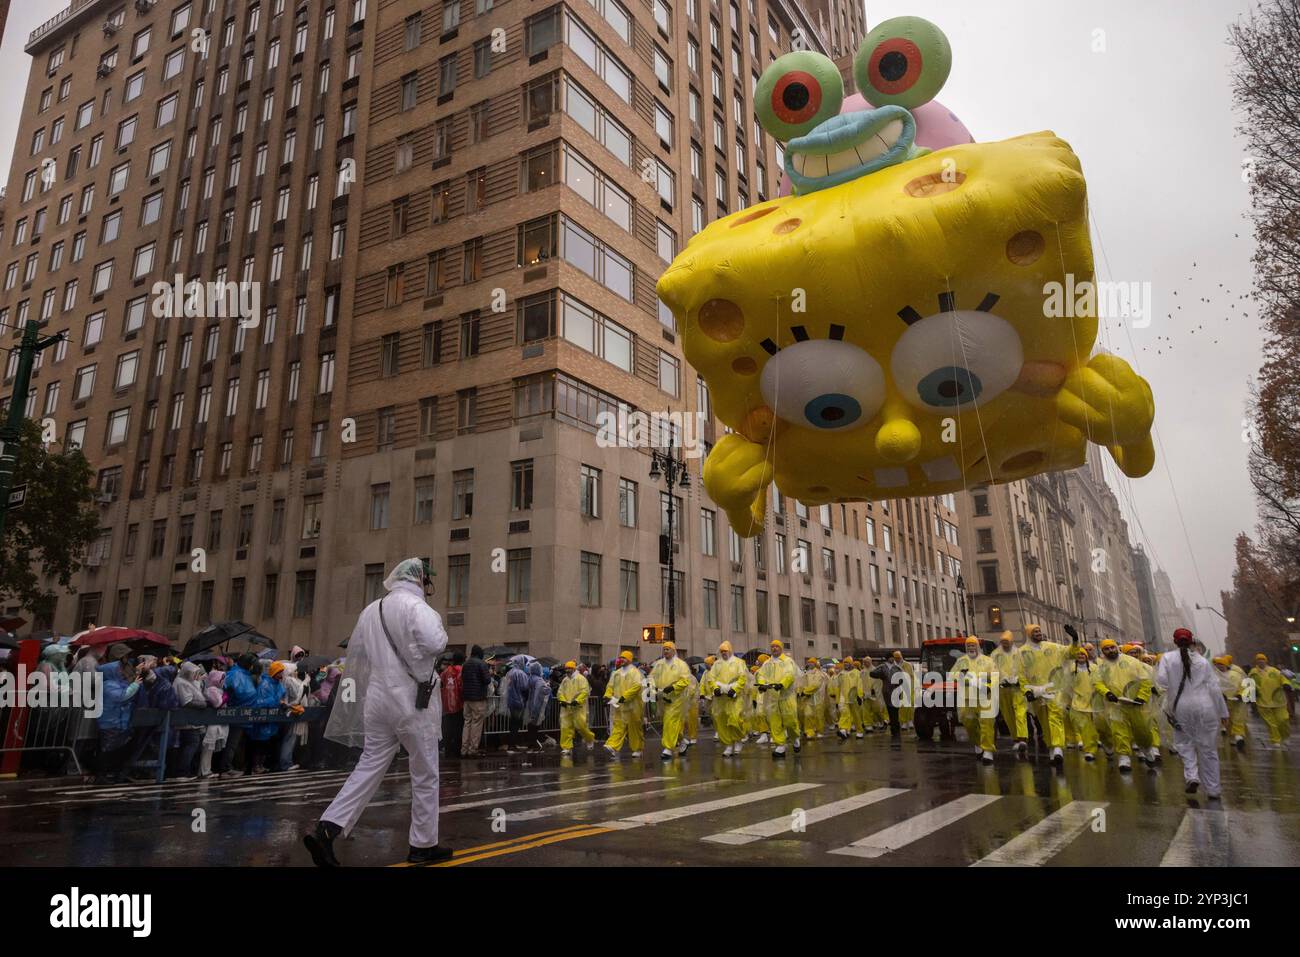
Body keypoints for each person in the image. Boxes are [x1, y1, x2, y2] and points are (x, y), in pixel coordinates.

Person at [304, 558, 451, 867]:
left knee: (368, 765)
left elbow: (362, 654)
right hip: (410, 702)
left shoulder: (371, 610)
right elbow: (436, 644)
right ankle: (423, 845)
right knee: (425, 773)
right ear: (421, 579)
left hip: (377, 699)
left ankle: (328, 828)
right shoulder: (418, 608)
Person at [1155, 628, 1226, 798]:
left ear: (1174, 641)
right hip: (1205, 707)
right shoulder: (1202, 661)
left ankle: (1192, 776)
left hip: (1181, 707)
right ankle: (1213, 789)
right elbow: (1214, 689)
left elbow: (1162, 681)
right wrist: (1223, 712)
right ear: (1192, 641)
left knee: (1185, 744)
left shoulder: (1167, 658)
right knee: (1208, 749)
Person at [1094, 638, 1154, 772]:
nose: (1110, 651)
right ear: (1103, 651)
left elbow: (1145, 680)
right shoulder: (1102, 667)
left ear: (1116, 647)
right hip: (1116, 705)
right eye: (1106, 649)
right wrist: (1107, 693)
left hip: (1135, 704)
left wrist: (1141, 697)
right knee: (1118, 731)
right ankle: (1124, 757)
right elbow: (1097, 682)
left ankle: (1147, 749)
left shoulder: (1132, 662)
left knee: (1141, 731)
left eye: (1112, 647)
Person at [1020, 623, 1073, 767]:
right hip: (1037, 693)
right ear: (1029, 634)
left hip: (1054, 690)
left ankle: (1057, 748)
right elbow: (1020, 674)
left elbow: (1070, 653)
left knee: (1055, 717)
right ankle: (1052, 749)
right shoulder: (1022, 652)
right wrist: (1027, 691)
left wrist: (1075, 640)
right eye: (1035, 631)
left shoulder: (1052, 647)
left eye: (1039, 630)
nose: (1038, 632)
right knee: (1044, 723)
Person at [94, 647, 144, 784]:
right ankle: (101, 775)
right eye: (119, 670)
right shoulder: (109, 685)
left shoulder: (117, 683)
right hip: (110, 721)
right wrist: (134, 685)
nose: (122, 671)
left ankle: (112, 773)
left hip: (119, 720)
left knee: (116, 749)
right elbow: (122, 697)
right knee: (107, 749)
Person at [949, 636, 996, 764]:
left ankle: (988, 751)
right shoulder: (961, 661)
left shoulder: (988, 661)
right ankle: (978, 743)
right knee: (968, 722)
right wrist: (961, 676)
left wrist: (988, 687)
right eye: (968, 646)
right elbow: (952, 675)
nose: (971, 648)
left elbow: (995, 676)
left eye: (973, 645)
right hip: (967, 698)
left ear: (977, 646)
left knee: (986, 723)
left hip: (984, 697)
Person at [217, 653, 260, 777]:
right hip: (234, 714)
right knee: (231, 743)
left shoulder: (247, 675)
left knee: (236, 744)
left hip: (245, 715)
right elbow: (230, 691)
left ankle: (231, 766)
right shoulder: (234, 674)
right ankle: (224, 768)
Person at [756, 639, 801, 757]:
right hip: (772, 698)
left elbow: (790, 674)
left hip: (786, 696)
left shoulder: (787, 661)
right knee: (774, 722)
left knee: (790, 721)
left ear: (781, 648)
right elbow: (761, 675)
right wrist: (761, 685)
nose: (774, 648)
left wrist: (782, 684)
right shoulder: (767, 663)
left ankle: (795, 738)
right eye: (772, 647)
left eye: (776, 646)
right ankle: (780, 746)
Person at [650, 641, 692, 759]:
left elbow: (685, 680)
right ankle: (683, 741)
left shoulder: (681, 665)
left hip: (677, 699)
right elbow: (652, 677)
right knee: (670, 723)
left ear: (674, 650)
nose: (666, 651)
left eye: (668, 649)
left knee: (670, 721)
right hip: (663, 699)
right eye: (664, 649)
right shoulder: (659, 664)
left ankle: (668, 748)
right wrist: (651, 688)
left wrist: (673, 687)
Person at [991, 631, 1028, 755]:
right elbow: (992, 669)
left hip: (1018, 689)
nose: (1005, 644)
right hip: (1003, 689)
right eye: (1003, 642)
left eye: (1007, 642)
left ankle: (1022, 738)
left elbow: (1026, 668)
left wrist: (1020, 680)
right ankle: (1016, 738)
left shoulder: (1019, 653)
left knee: (1020, 713)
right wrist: (1001, 680)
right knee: (1008, 714)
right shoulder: (995, 655)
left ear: (1012, 641)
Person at [707, 643, 747, 756]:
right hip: (721, 698)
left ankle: (738, 739)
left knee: (734, 719)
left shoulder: (739, 662)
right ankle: (728, 745)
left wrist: (735, 689)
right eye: (722, 651)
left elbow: (742, 678)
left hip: (734, 697)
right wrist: (715, 688)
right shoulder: (716, 664)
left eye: (725, 651)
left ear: (730, 650)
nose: (724, 653)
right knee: (721, 721)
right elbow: (711, 678)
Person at [170, 662, 208, 780]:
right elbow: (187, 701)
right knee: (192, 744)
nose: (196, 675)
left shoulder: (189, 682)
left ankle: (186, 770)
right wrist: (203, 704)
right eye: (194, 673)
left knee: (191, 745)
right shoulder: (181, 683)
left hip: (193, 720)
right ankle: (182, 772)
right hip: (187, 720)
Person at [603, 650, 645, 757]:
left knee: (634, 728)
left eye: (624, 658)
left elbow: (637, 686)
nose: (622, 659)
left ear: (629, 660)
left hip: (633, 706)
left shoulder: (635, 672)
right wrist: (607, 695)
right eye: (620, 657)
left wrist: (624, 697)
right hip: (619, 705)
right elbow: (610, 686)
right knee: (618, 726)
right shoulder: (616, 673)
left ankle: (638, 749)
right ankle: (612, 745)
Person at [1062, 647, 1099, 761]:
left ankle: (1090, 749)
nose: (1081, 657)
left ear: (1086, 656)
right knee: (1081, 724)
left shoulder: (1094, 668)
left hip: (1092, 701)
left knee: (1090, 726)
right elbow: (1066, 686)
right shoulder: (1071, 669)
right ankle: (1087, 745)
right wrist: (1067, 701)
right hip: (1077, 701)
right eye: (1078, 655)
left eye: (1083, 655)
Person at [1249, 654, 1291, 747]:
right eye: (1258, 660)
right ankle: (1275, 740)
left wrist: (1286, 684)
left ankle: (1285, 736)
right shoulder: (1253, 673)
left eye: (1262, 659)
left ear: (1266, 661)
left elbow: (1283, 679)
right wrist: (1250, 698)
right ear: (1256, 662)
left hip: (1278, 701)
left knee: (1283, 720)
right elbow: (1249, 686)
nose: (1260, 661)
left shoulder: (1274, 671)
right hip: (1263, 702)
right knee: (1271, 723)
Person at [557, 661, 596, 755]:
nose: (567, 670)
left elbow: (585, 691)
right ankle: (567, 747)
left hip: (578, 707)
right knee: (565, 727)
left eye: (569, 668)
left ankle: (589, 739)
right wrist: (562, 700)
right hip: (566, 708)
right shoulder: (565, 680)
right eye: (566, 668)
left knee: (581, 726)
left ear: (574, 668)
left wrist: (577, 701)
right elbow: (560, 692)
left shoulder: (581, 679)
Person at [460, 645, 491, 757]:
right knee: (476, 723)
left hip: (467, 698)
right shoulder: (482, 664)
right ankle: (473, 749)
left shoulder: (466, 664)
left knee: (467, 723)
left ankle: (464, 749)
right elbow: (487, 680)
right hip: (478, 698)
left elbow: (462, 679)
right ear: (480, 653)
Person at [1213, 655, 1248, 749]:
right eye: (1218, 665)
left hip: (1237, 701)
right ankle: (1232, 737)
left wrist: (1241, 694)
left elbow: (1244, 685)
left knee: (1238, 719)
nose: (1220, 666)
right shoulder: (1214, 676)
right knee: (1227, 721)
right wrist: (1219, 696)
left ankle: (1239, 737)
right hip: (1223, 703)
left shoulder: (1236, 674)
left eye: (1222, 664)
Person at [198, 669, 228, 779]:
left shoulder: (218, 689)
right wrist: (225, 696)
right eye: (221, 679)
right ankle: (204, 771)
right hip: (212, 724)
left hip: (218, 723)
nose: (223, 681)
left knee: (211, 749)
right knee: (207, 748)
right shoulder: (211, 689)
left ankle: (207, 770)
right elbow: (217, 703)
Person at [869, 655, 904, 739]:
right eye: (890, 657)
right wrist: (880, 675)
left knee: (895, 711)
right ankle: (894, 729)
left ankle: (895, 729)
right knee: (891, 711)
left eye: (893, 657)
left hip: (896, 691)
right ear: (887, 658)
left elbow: (902, 678)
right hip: (887, 692)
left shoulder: (897, 668)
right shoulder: (883, 667)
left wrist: (898, 682)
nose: (892, 659)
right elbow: (872, 673)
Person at [440, 652, 464, 758]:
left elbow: (440, 684)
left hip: (446, 704)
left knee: (447, 729)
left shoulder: (445, 672)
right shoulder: (461, 670)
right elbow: (462, 686)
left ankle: (448, 750)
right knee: (458, 728)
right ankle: (456, 750)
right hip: (459, 704)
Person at [525, 661, 552, 751]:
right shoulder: (539, 680)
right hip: (537, 706)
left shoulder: (530, 678)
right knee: (535, 725)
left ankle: (531, 743)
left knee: (531, 725)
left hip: (530, 705)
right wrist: (548, 687)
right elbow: (540, 693)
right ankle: (534, 744)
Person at [799, 658, 827, 739]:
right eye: (809, 662)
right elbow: (801, 684)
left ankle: (820, 731)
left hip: (817, 698)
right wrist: (800, 692)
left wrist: (806, 691)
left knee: (819, 716)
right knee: (808, 714)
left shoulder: (819, 674)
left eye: (812, 662)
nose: (810, 664)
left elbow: (816, 685)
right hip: (807, 698)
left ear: (815, 664)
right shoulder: (806, 674)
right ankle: (809, 731)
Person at [892, 651, 916, 730]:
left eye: (898, 657)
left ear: (901, 656)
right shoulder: (894, 666)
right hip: (899, 688)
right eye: (896, 658)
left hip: (908, 687)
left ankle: (910, 720)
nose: (897, 659)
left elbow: (911, 676)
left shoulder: (907, 665)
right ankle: (904, 722)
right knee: (902, 706)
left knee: (909, 705)